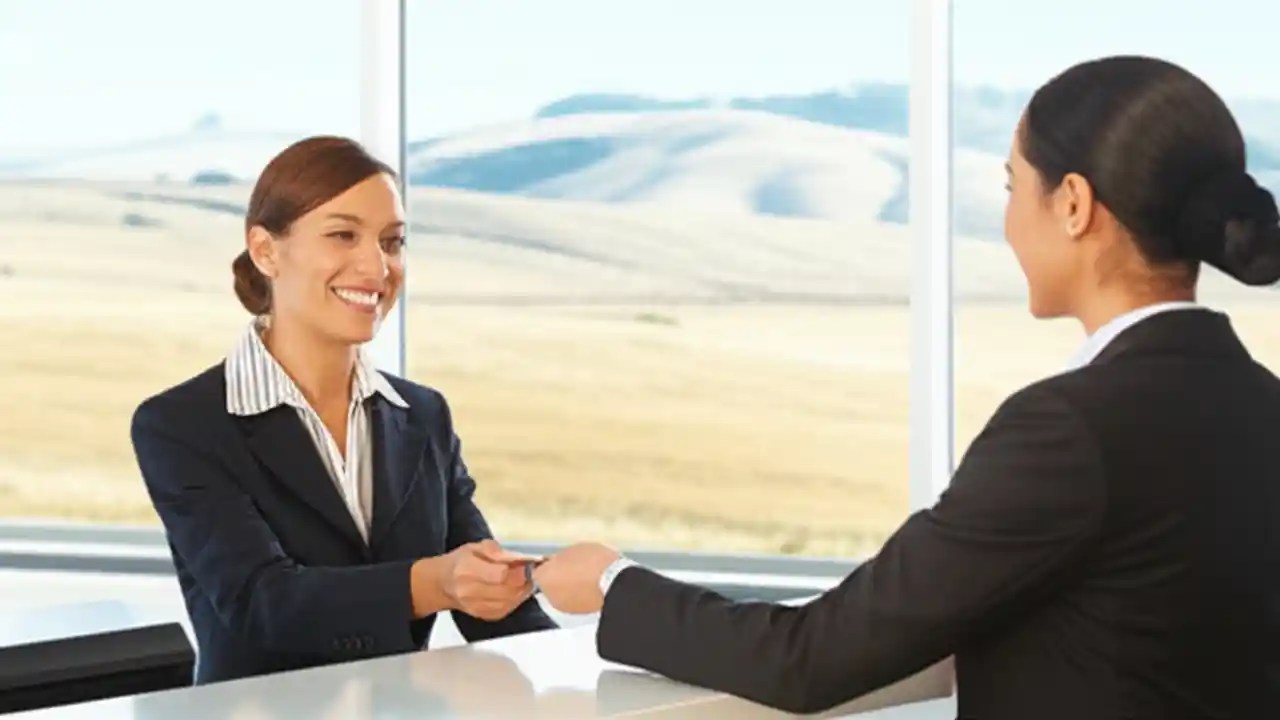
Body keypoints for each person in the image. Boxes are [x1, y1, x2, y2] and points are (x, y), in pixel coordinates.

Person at [533, 56, 1280, 718]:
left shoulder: (1069, 429)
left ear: (1075, 204)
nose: (1007, 220)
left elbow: (813, 658)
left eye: (1013, 185)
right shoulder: (1260, 402)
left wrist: (611, 581)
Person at [131, 136, 555, 685]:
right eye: (342, 235)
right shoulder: (183, 425)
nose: (376, 266)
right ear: (265, 251)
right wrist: (437, 582)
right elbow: (264, 602)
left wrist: (553, 610)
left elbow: (490, 605)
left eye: (392, 242)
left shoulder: (423, 417)